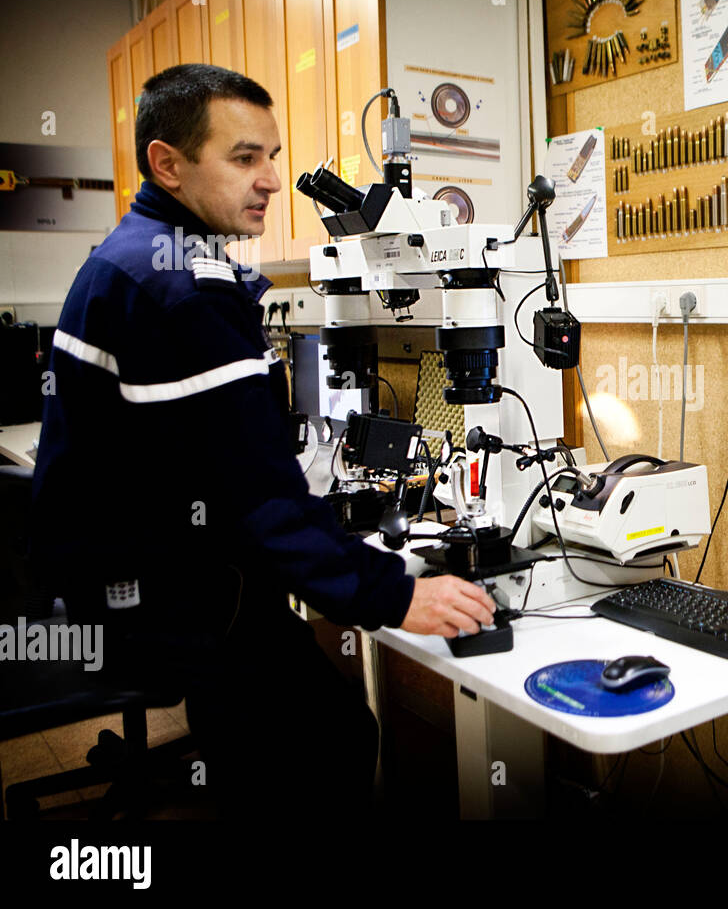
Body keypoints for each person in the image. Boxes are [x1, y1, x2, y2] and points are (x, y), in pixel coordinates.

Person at [31, 63, 494, 815]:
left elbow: (225, 472)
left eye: (273, 157)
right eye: (245, 158)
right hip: (160, 600)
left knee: (290, 700)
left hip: (111, 576)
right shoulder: (182, 291)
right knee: (333, 738)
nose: (272, 179)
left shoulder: (131, 254)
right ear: (168, 163)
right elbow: (259, 503)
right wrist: (394, 594)